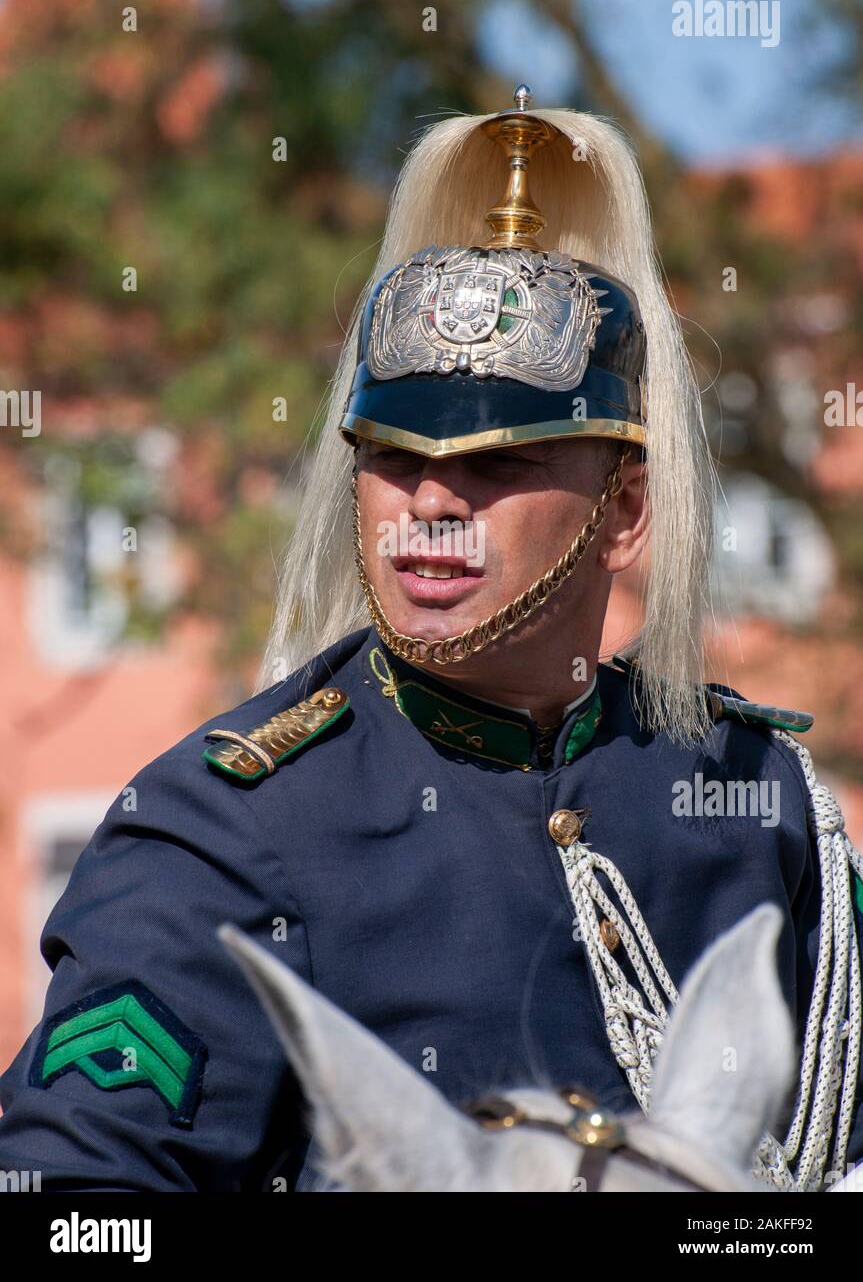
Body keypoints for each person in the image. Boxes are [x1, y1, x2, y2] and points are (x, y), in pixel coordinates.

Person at [1, 87, 860, 1193]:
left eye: (498, 463)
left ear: (624, 509)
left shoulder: (757, 797)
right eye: (394, 456)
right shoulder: (224, 827)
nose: (430, 503)